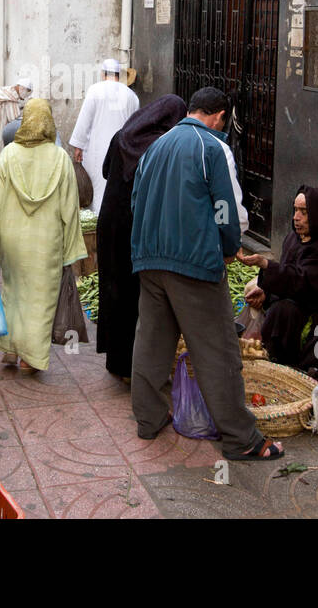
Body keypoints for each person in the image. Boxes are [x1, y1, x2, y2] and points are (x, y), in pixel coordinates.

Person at [130, 87, 281, 461]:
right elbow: (226, 209)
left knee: (152, 342)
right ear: (219, 115)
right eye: (225, 121)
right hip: (194, 262)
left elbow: (137, 200)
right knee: (218, 350)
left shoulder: (156, 146)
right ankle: (241, 438)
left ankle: (148, 419)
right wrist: (230, 247)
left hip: (150, 260)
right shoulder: (211, 147)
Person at [0, 99, 86, 372]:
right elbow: (69, 208)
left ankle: (10, 349)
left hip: (12, 241)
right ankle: (31, 357)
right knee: (40, 301)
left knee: (13, 293)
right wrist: (72, 250)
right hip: (46, 243)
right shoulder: (60, 158)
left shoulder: (9, 154)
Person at [95, 94, 188, 382]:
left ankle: (115, 360)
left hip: (109, 222)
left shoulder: (122, 135)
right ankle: (129, 368)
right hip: (136, 227)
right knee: (134, 296)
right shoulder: (160, 146)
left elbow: (105, 170)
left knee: (112, 290)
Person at [237, 185, 318, 380]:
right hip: (301, 301)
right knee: (281, 311)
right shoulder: (292, 239)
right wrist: (266, 293)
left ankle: (307, 376)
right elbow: (290, 281)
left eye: (304, 212)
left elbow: (303, 281)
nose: (296, 217)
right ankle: (278, 362)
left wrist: (266, 265)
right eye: (295, 210)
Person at [69, 58, 139, 213]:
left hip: (97, 151)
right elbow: (135, 124)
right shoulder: (131, 96)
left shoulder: (95, 90)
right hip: (122, 151)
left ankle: (96, 224)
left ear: (103, 74)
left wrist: (78, 146)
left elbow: (84, 120)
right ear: (118, 75)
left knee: (97, 189)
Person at [0, 77, 34, 179]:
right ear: (21, 88)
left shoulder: (4, 92)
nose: (23, 98)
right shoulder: (10, 98)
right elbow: (14, 119)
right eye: (25, 94)